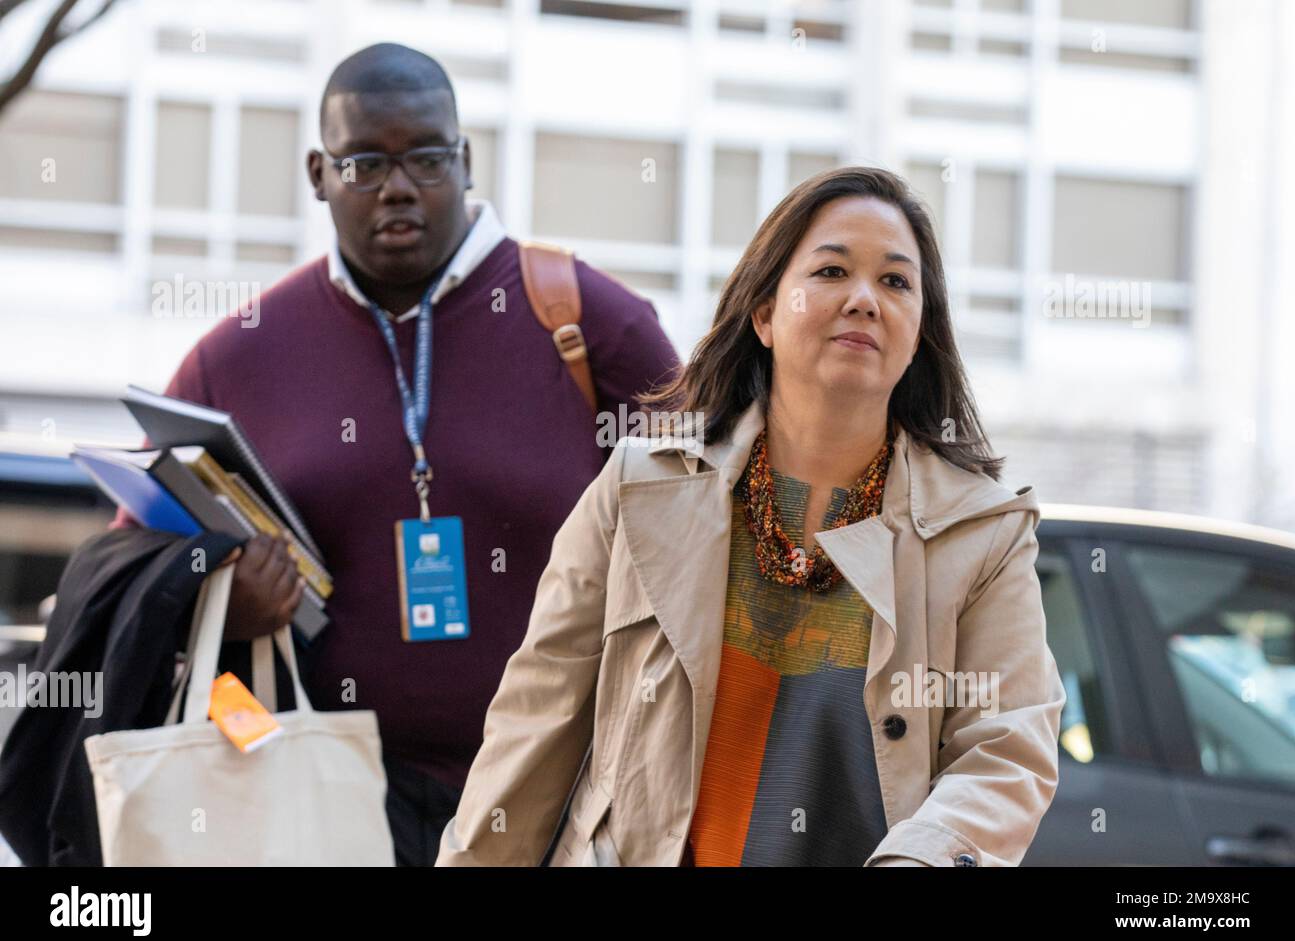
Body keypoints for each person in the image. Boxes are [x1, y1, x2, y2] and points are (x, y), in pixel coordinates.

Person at [109, 43, 680, 865]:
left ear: (467, 160)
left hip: (563, 798)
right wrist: (215, 600)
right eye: (365, 162)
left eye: (427, 158)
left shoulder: (590, 324)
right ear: (317, 172)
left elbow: (717, 519)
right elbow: (133, 563)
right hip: (317, 804)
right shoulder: (236, 357)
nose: (400, 186)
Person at [436, 166, 1067, 867]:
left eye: (895, 282)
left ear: (918, 334)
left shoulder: (981, 532)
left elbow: (1007, 746)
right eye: (831, 271)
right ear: (764, 313)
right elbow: (538, 720)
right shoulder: (640, 488)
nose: (864, 299)